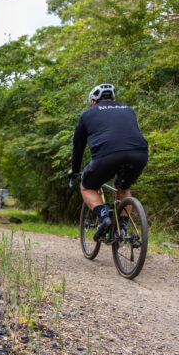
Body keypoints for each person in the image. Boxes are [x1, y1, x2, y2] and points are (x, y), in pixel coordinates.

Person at [71, 84, 148, 240]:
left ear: (93, 101)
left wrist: (74, 170)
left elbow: (78, 147)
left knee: (86, 187)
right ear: (113, 99)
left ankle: (104, 217)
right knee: (124, 187)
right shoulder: (128, 109)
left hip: (107, 155)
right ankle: (123, 227)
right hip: (139, 154)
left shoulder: (87, 114)